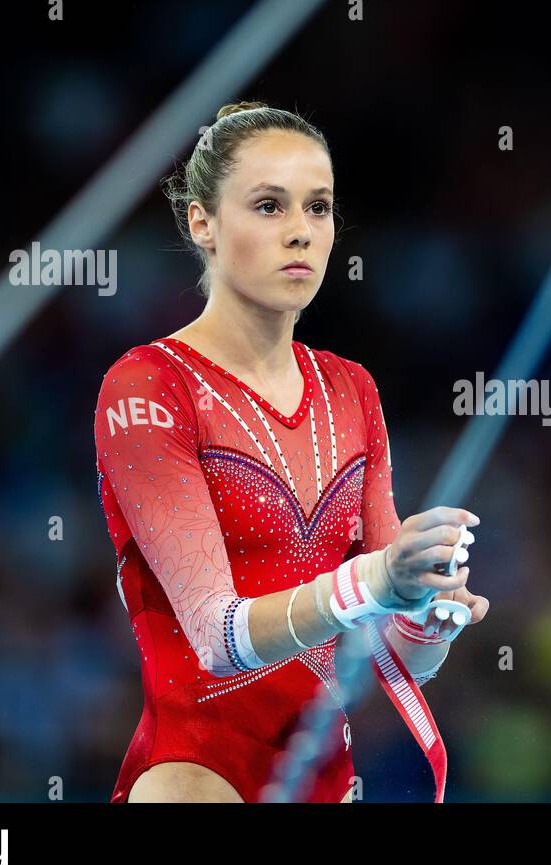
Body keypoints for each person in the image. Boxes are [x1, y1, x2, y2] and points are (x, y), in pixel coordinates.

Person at [93, 101, 488, 803]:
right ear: (203, 223)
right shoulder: (149, 386)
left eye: (319, 207)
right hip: (194, 774)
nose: (301, 232)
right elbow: (216, 637)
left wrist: (427, 620)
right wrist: (372, 584)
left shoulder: (351, 388)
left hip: (324, 776)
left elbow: (385, 650)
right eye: (270, 206)